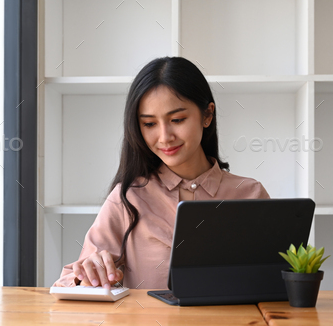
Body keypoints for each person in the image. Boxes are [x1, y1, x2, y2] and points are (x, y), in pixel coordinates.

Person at [52, 56, 270, 290]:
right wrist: (87, 275)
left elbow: (277, 281)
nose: (165, 136)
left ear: (207, 115)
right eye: (149, 124)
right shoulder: (128, 197)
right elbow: (66, 284)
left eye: (177, 119)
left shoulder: (250, 194)